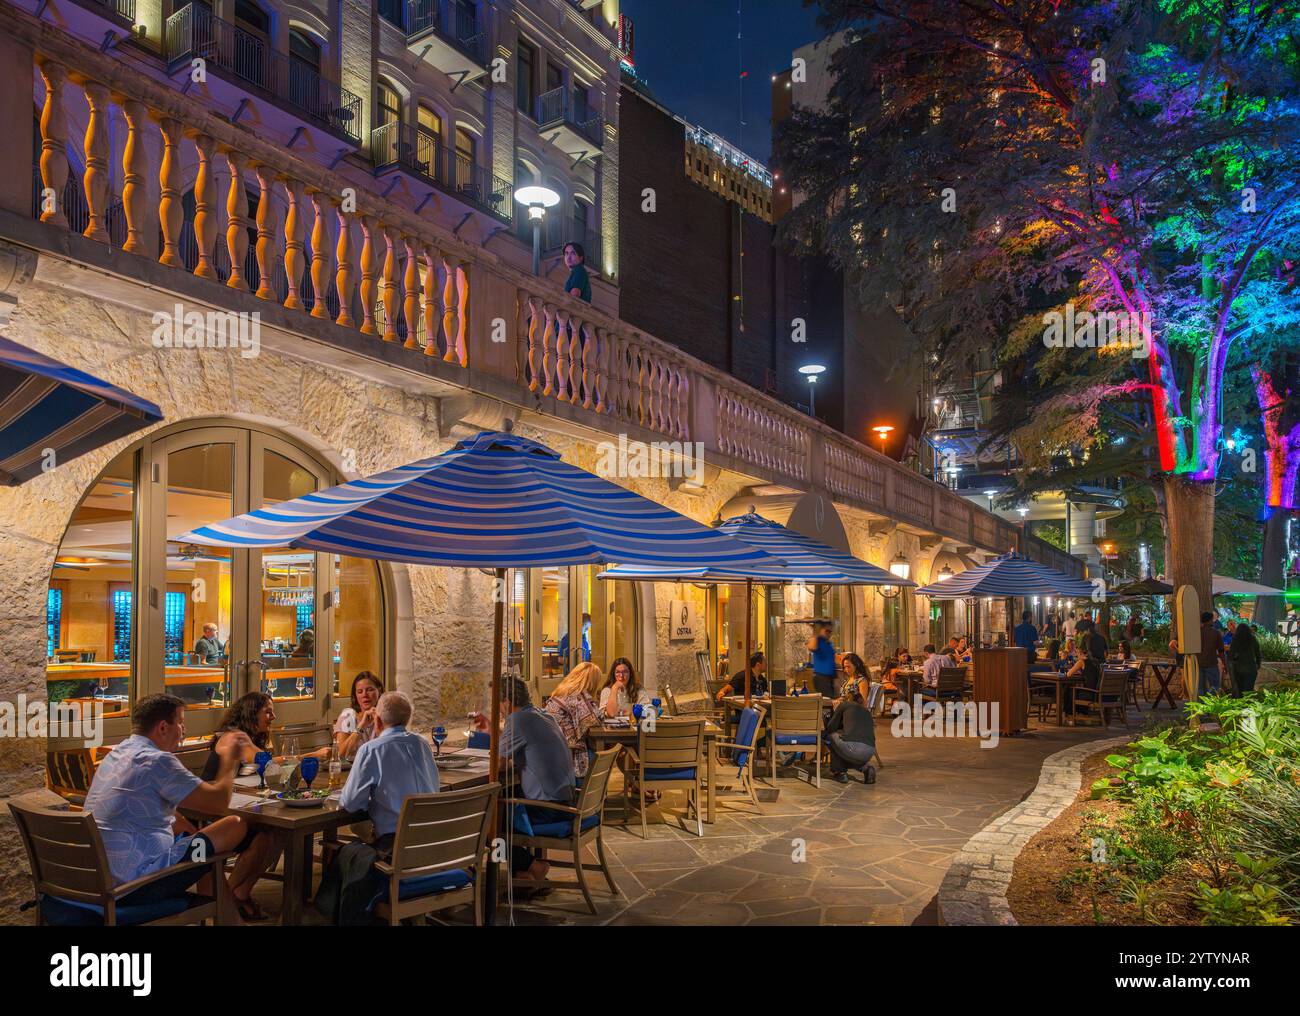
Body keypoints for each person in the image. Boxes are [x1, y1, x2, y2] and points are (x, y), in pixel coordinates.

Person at [82, 694, 268, 922]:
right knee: (233, 826)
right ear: (162, 727)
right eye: (181, 723)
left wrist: (193, 835)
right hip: (138, 886)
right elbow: (218, 803)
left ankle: (228, 918)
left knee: (201, 850)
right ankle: (228, 916)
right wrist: (230, 759)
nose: (184, 730)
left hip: (100, 878)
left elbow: (163, 814)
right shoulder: (157, 761)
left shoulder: (117, 754)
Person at [474, 676, 574, 886]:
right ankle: (523, 875)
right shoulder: (542, 715)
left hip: (547, 810)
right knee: (499, 812)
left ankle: (529, 867)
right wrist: (492, 729)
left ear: (507, 701)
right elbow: (515, 745)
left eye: (496, 702)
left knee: (485, 823)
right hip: (565, 803)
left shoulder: (517, 721)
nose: (496, 707)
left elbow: (499, 764)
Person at [339, 691, 439, 851]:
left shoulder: (371, 750)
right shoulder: (422, 743)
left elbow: (351, 803)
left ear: (377, 721)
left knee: (343, 857)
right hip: (432, 844)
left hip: (397, 849)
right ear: (407, 720)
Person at [544, 662, 603, 777]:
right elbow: (595, 721)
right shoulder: (577, 697)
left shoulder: (562, 692)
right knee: (602, 755)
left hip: (552, 751)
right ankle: (595, 792)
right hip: (569, 754)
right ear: (591, 682)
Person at [824, 682, 878, 785]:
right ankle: (865, 768)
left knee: (829, 737)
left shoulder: (845, 705)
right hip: (869, 751)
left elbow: (831, 728)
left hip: (853, 748)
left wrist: (836, 711)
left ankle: (840, 772)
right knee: (845, 749)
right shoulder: (867, 713)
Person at [335, 671, 384, 759]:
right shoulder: (348, 716)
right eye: (360, 691)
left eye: (369, 690)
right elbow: (340, 754)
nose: (365, 695)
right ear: (355, 695)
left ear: (379, 691)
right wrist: (361, 726)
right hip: (353, 769)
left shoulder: (386, 716)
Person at [1226, 621, 1262, 696]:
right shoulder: (1253, 639)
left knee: (1240, 690)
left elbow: (1231, 655)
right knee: (1249, 690)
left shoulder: (1235, 640)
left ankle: (1241, 705)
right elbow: (1258, 654)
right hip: (1251, 668)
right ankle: (1248, 705)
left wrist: (1235, 660)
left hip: (1239, 669)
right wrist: (1258, 665)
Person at [806, 621, 838, 698]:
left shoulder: (828, 643)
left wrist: (835, 678)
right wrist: (816, 632)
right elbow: (811, 647)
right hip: (821, 678)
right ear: (821, 630)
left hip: (830, 678)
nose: (829, 634)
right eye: (827, 631)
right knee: (827, 702)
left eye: (830, 631)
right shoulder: (817, 641)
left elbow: (831, 661)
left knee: (832, 701)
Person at [1198, 610, 1228, 693]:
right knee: (1214, 687)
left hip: (1199, 663)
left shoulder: (1197, 633)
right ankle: (1212, 705)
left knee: (1200, 688)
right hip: (1211, 663)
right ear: (1210, 620)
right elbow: (1221, 651)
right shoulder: (1216, 633)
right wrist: (1224, 664)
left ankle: (1200, 705)